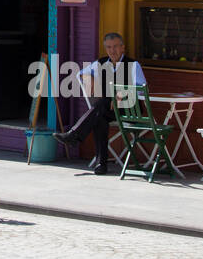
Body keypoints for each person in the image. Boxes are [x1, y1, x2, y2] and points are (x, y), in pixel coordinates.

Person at [55, 32, 147, 174]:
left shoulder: (133, 65)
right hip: (109, 110)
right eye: (109, 47)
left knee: (101, 107)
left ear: (122, 48)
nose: (112, 50)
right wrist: (89, 78)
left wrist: (123, 93)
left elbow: (141, 89)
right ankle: (100, 164)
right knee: (100, 117)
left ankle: (74, 135)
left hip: (129, 109)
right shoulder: (101, 63)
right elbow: (81, 73)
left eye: (116, 46)